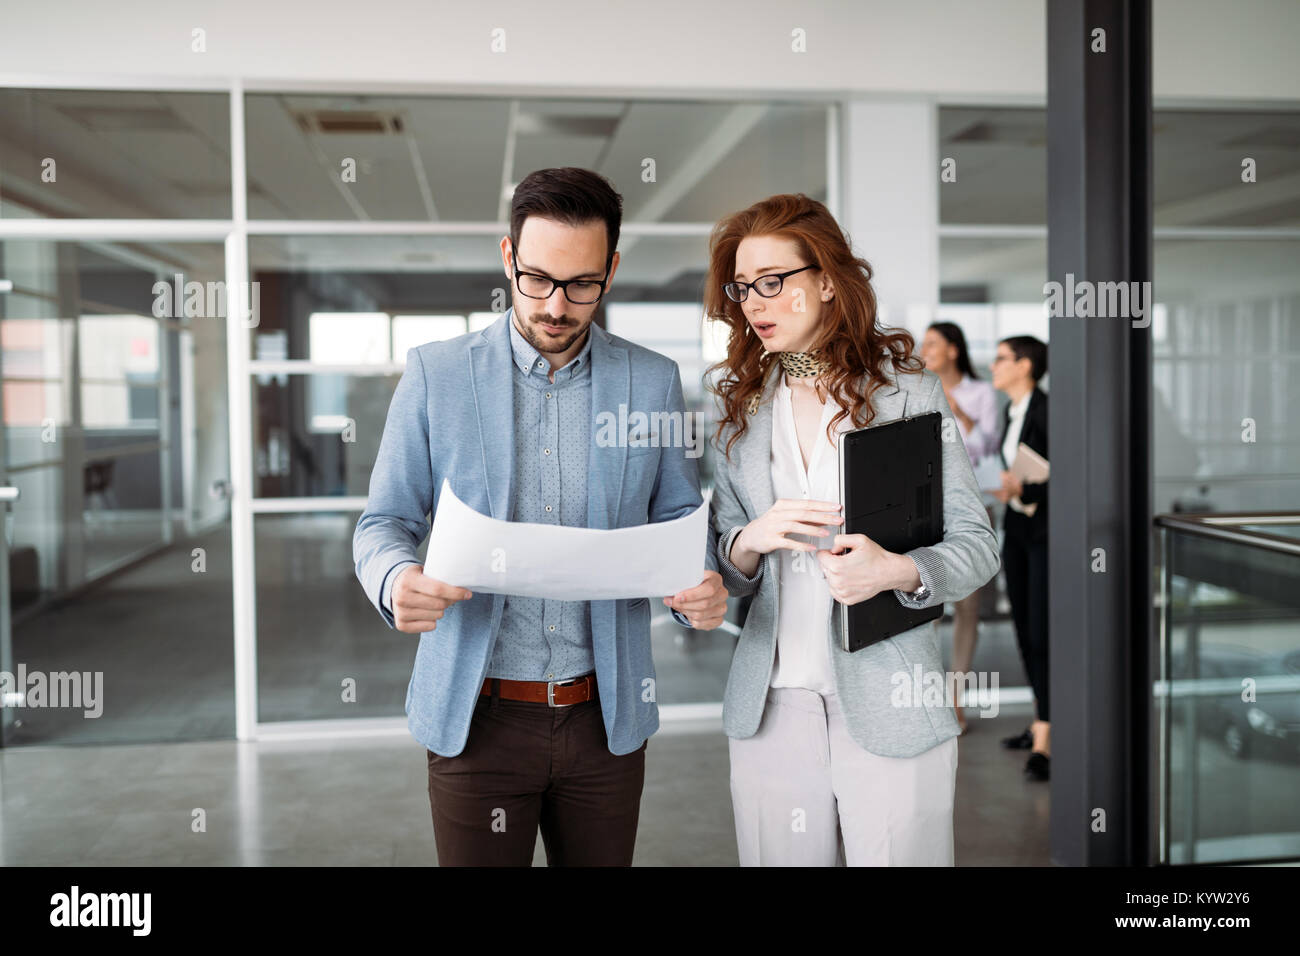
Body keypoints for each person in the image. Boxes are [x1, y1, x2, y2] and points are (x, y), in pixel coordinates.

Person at [353, 167, 728, 865]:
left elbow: (680, 514)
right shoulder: (438, 374)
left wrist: (700, 581)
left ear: (611, 271)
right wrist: (395, 578)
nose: (556, 306)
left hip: (605, 719)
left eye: (582, 284)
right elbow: (385, 521)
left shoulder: (651, 381)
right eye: (538, 279)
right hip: (477, 717)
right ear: (508, 258)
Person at [705, 193, 1000, 866]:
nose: (753, 303)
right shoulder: (738, 406)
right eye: (743, 287)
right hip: (772, 701)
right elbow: (723, 568)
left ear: (827, 282)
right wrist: (750, 541)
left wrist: (896, 570)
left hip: (892, 693)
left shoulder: (909, 392)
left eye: (772, 282)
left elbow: (978, 546)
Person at [920, 321, 999, 733]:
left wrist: (954, 406)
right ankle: (930, 698)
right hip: (927, 508)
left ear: (953, 350)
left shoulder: (981, 393)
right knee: (926, 601)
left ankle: (957, 698)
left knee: (968, 608)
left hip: (972, 507)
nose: (924, 350)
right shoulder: (917, 390)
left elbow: (986, 447)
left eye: (932, 343)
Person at [989, 335, 1050, 782]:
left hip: (1045, 534)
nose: (993, 365)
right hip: (1017, 530)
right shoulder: (1010, 411)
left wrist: (1024, 488)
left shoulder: (1048, 411)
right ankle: (1040, 719)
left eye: (1001, 358)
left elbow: (1074, 475)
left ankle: (1046, 738)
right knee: (1025, 629)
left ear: (1025, 365)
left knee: (1042, 631)